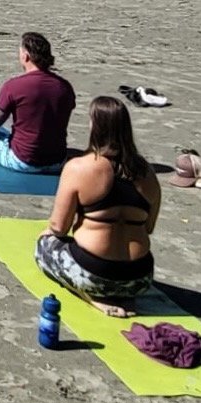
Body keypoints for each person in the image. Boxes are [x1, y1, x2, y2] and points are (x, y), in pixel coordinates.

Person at [35, 96, 160, 317]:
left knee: (44, 245)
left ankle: (90, 293)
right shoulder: (148, 174)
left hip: (93, 273)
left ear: (95, 127)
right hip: (140, 279)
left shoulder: (80, 167)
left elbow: (58, 227)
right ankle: (119, 293)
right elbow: (148, 227)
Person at [0, 32, 75, 174]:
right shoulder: (64, 87)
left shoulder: (14, 86)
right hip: (57, 161)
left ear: (26, 56)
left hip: (22, 161)